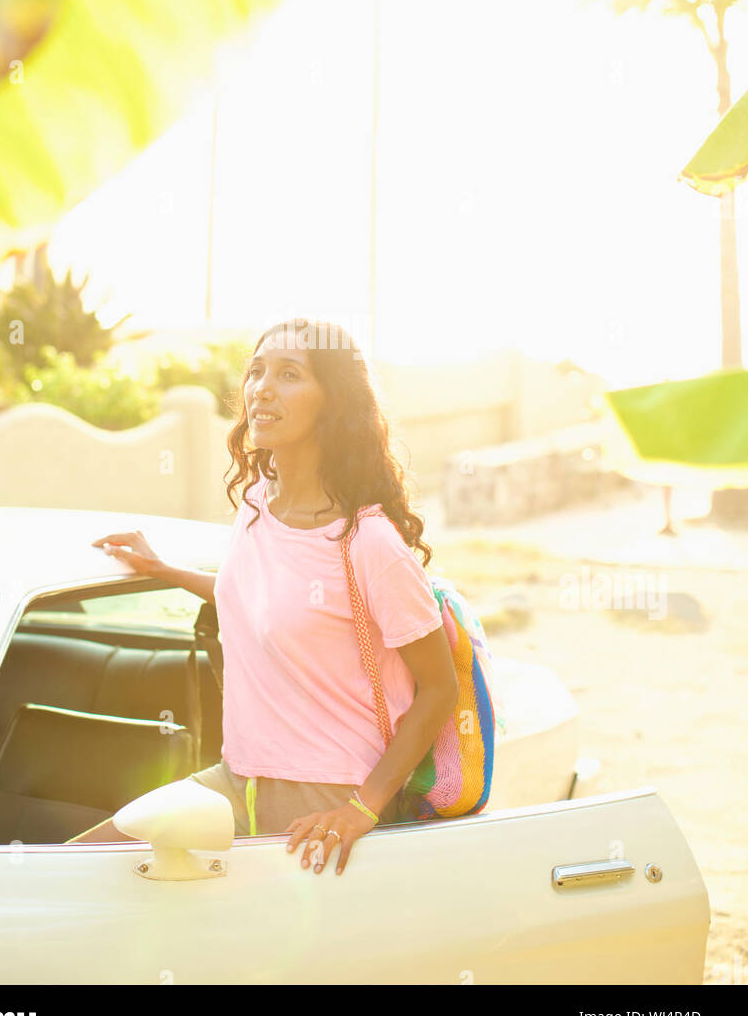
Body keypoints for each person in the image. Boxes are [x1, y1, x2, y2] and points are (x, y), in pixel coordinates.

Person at [68, 317, 457, 877]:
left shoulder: (369, 542)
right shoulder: (255, 505)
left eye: (290, 374)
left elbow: (438, 689)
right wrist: (162, 568)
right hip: (236, 779)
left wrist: (361, 809)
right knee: (76, 866)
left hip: (325, 799)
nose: (262, 388)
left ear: (334, 401)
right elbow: (254, 600)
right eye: (256, 371)